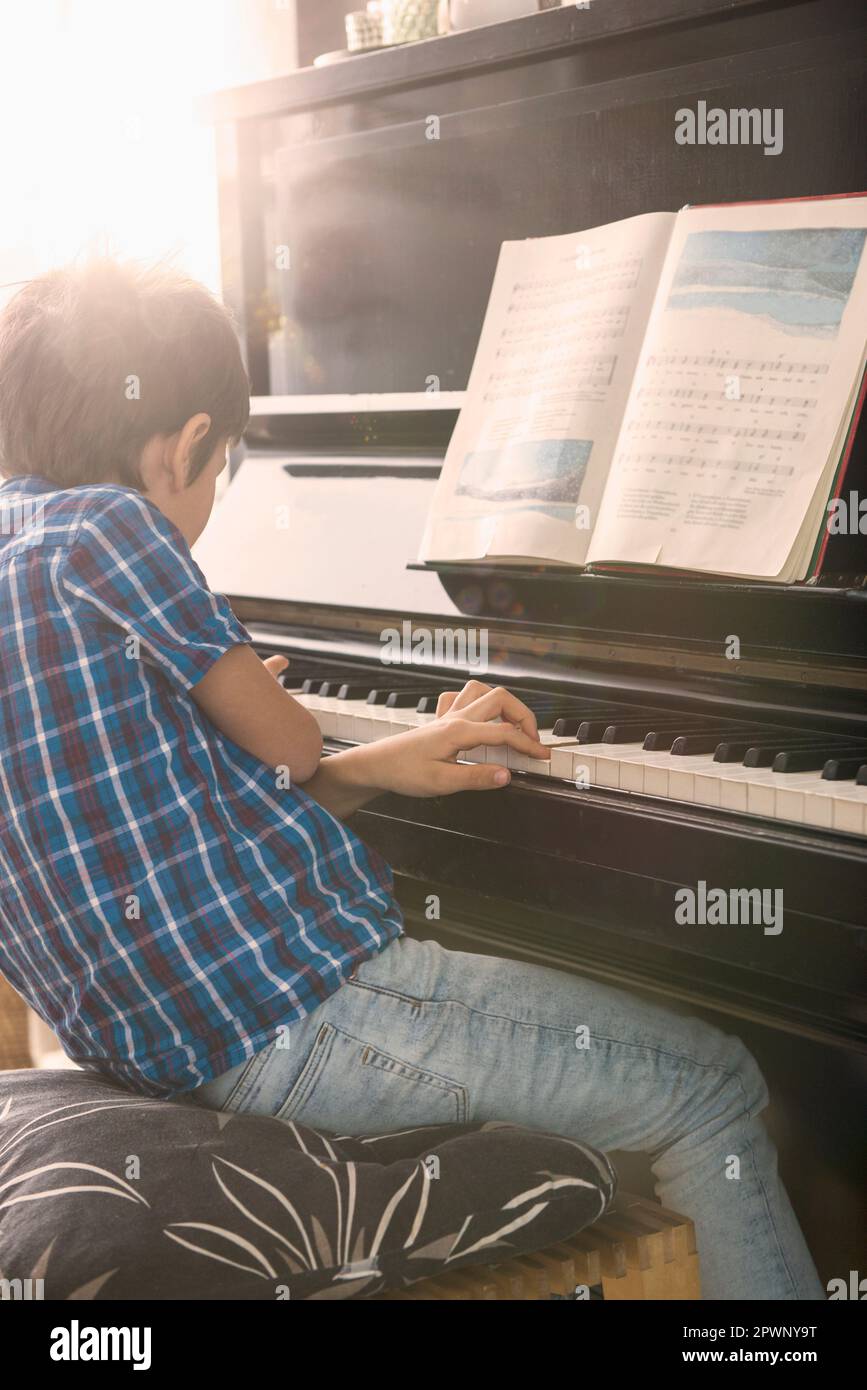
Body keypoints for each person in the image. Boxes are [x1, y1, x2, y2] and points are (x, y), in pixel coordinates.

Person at [0, 261, 823, 1299]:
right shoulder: (117, 531)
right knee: (711, 1085)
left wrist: (385, 759)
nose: (210, 496)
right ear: (184, 444)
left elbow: (196, 822)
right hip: (311, 1023)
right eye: (223, 470)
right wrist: (259, 700)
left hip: (159, 1050)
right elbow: (293, 749)